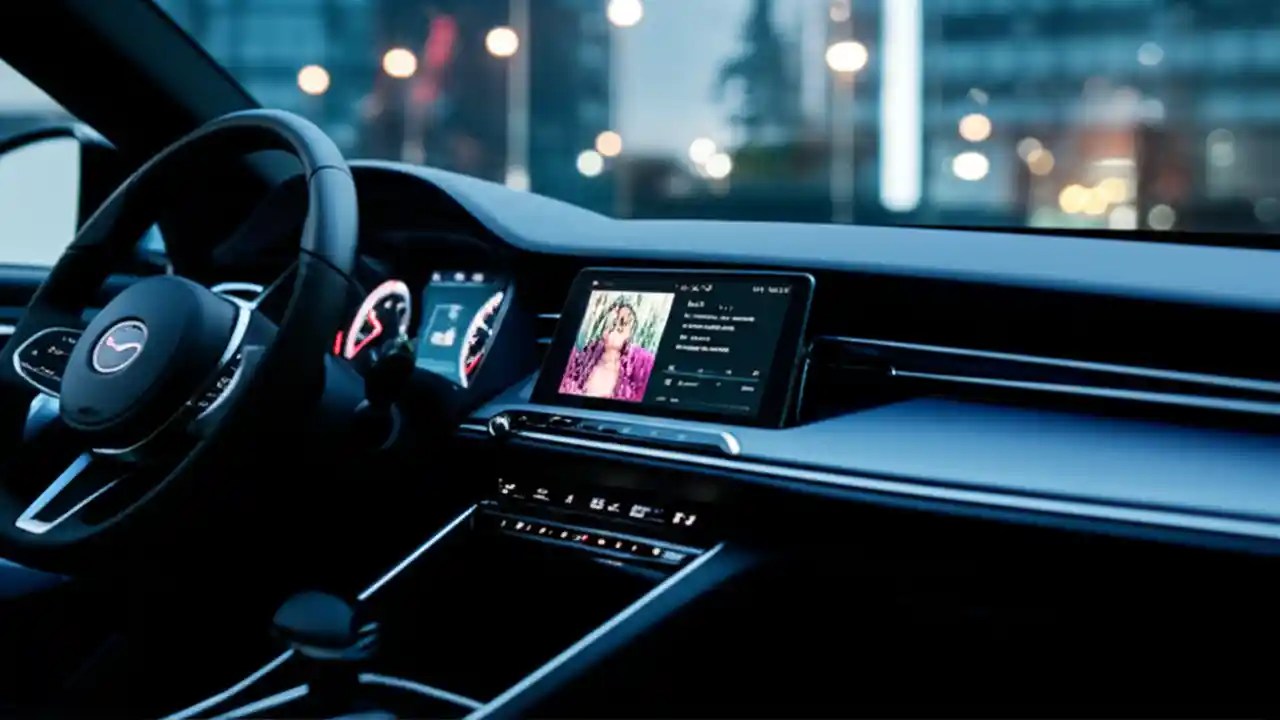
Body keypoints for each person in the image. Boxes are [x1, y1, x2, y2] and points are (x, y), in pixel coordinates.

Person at [559, 298, 656, 402]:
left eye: (623, 323)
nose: (616, 327)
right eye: (613, 321)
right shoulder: (587, 356)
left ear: (630, 334)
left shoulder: (641, 362)